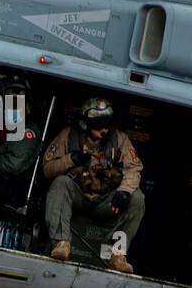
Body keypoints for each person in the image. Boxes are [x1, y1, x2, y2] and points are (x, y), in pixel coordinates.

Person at [41, 96, 145, 273]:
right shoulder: (68, 136)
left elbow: (134, 168)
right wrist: (70, 160)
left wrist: (124, 192)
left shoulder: (119, 139)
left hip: (106, 201)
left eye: (106, 125)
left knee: (138, 198)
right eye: (98, 126)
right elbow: (47, 168)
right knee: (60, 183)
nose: (104, 130)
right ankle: (61, 243)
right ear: (85, 124)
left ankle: (117, 255)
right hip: (78, 196)